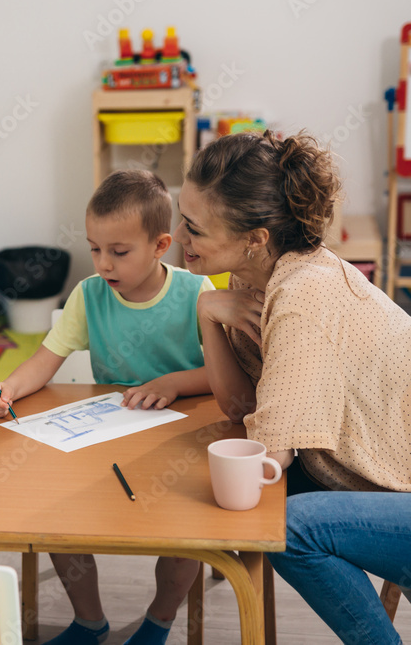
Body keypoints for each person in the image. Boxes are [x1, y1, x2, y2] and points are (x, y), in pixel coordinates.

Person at [174, 130, 411, 643]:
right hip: (389, 483)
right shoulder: (254, 276)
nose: (179, 238)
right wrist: (206, 314)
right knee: (285, 498)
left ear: (255, 237)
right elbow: (241, 408)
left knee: (290, 527)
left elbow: (270, 452)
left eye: (193, 228)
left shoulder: (303, 295)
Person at [0, 169, 214, 645]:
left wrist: (172, 383)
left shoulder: (198, 293)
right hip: (106, 439)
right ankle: (90, 621)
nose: (103, 263)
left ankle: (160, 619)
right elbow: (43, 361)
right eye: (95, 248)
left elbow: (224, 375)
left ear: (160, 245)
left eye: (119, 251)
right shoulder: (89, 295)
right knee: (54, 517)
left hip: (181, 440)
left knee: (186, 531)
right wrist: (8, 388)